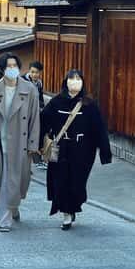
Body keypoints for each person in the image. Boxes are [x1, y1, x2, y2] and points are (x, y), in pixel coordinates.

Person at [41, 69, 113, 230]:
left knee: (77, 184)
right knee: (61, 182)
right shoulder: (56, 102)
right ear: (65, 81)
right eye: (71, 78)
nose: (74, 82)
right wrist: (37, 144)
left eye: (78, 79)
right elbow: (43, 122)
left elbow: (99, 129)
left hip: (83, 151)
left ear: (83, 82)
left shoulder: (89, 104)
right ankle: (66, 214)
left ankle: (73, 207)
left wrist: (105, 152)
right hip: (61, 149)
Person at [0, 53, 41, 232]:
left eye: (15, 65)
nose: (12, 69)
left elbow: (34, 119)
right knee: (4, 181)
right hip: (1, 143)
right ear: (2, 69)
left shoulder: (30, 90)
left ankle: (13, 207)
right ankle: (4, 219)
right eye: (8, 66)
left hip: (21, 144)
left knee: (18, 181)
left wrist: (33, 144)